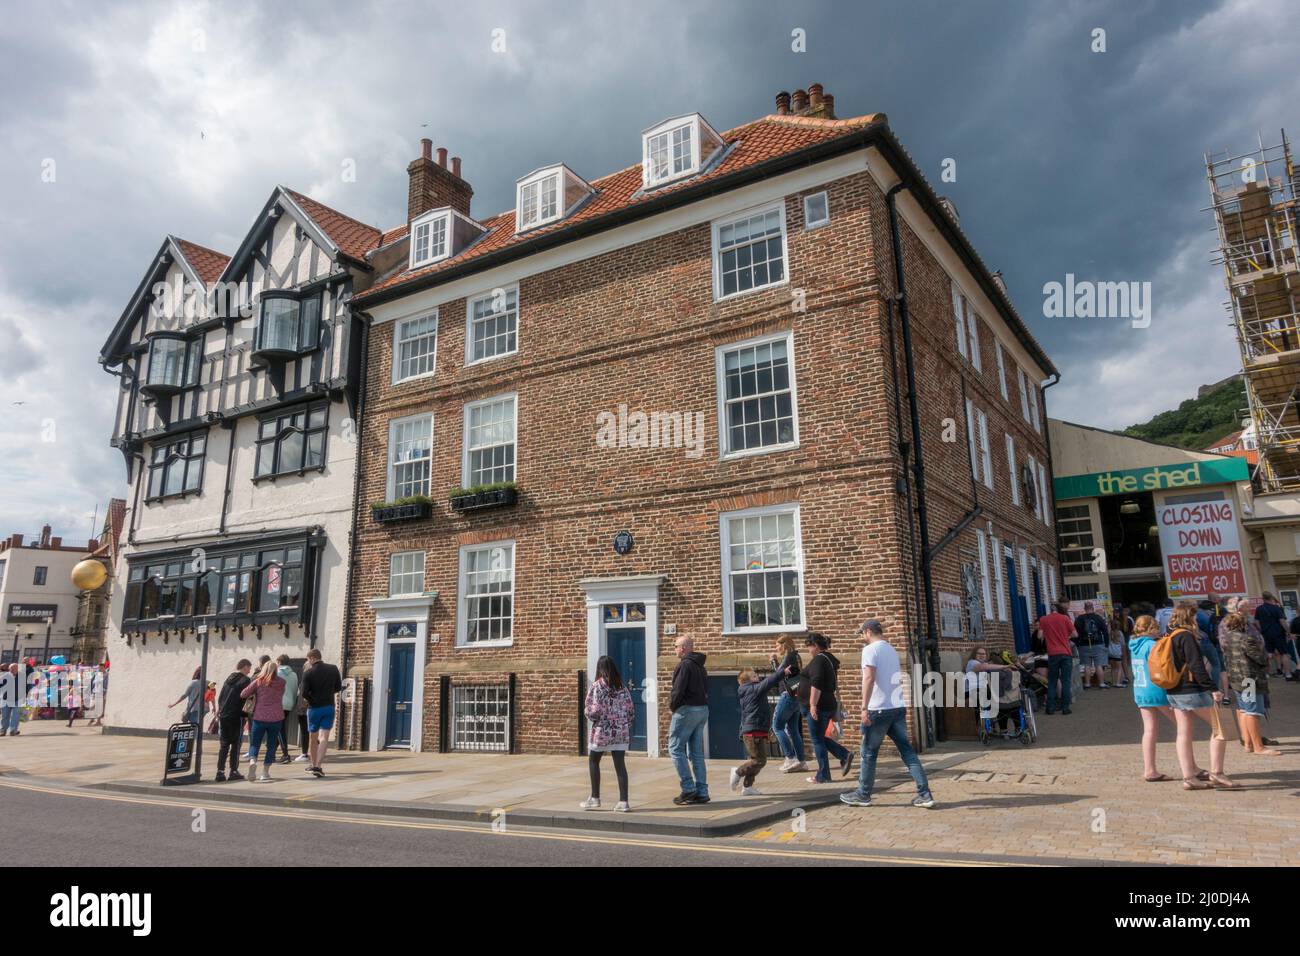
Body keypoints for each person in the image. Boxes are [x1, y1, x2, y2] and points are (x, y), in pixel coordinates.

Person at [840, 619, 934, 808]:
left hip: (878, 709)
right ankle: (925, 794)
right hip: (897, 707)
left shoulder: (870, 650)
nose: (862, 637)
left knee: (868, 753)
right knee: (907, 752)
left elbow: (869, 678)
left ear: (868, 631)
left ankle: (863, 794)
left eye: (862, 634)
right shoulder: (891, 650)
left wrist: (864, 708)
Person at [1165, 601, 1239, 790]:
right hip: (1192, 690)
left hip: (1174, 690)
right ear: (1190, 617)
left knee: (1183, 733)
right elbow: (1196, 664)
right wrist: (1213, 689)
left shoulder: (1170, 635)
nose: (1198, 619)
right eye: (1195, 616)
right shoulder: (1187, 637)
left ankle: (1189, 777)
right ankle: (1217, 772)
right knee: (1220, 727)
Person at [580, 655, 634, 812]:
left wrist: (587, 712)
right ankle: (624, 802)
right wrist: (625, 725)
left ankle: (595, 798)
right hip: (620, 731)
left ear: (600, 668)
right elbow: (630, 709)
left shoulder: (598, 686)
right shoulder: (622, 687)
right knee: (620, 766)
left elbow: (594, 710)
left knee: (593, 761)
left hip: (602, 732)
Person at [1221, 612, 1278, 756]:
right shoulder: (1246, 639)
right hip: (1249, 679)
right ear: (1243, 624)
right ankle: (1258, 747)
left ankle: (1248, 743)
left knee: (1243, 710)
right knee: (1252, 712)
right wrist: (1266, 658)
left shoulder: (1227, 638)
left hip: (1236, 679)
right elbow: (1260, 658)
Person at [801, 633, 853, 784]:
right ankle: (844, 755)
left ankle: (823, 775)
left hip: (820, 706)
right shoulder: (828, 659)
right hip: (828, 704)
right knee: (820, 738)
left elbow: (816, 682)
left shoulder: (819, 660)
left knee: (817, 741)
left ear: (815, 646)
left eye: (809, 647)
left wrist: (812, 705)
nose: (809, 650)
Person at [1129, 615, 1175, 781]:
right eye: (1156, 627)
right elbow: (1163, 666)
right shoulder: (1152, 645)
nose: (1159, 630)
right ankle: (1190, 766)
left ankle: (1150, 769)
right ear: (1151, 628)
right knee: (1183, 726)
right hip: (1157, 689)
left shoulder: (1133, 645)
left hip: (1140, 690)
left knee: (1149, 730)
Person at [730, 665, 786, 795]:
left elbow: (744, 714)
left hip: (757, 730)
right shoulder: (753, 689)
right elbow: (769, 681)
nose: (758, 677)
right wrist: (783, 671)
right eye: (755, 676)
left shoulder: (751, 690)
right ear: (748, 681)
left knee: (759, 761)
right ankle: (737, 772)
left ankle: (747, 787)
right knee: (758, 760)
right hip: (752, 732)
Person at [668, 636, 710, 805]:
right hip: (702, 709)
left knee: (675, 748)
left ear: (684, 648)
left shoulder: (685, 664)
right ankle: (702, 792)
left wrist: (673, 707)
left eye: (676, 646)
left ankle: (688, 789)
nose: (675, 649)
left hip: (687, 710)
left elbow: (678, 690)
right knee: (696, 753)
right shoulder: (701, 666)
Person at [239, 660, 286, 783]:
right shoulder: (282, 682)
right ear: (276, 670)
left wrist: (255, 692)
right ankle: (265, 773)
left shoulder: (258, 681)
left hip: (259, 717)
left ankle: (253, 761)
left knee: (255, 744)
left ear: (264, 669)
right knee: (271, 745)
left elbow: (243, 694)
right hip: (276, 717)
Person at [299, 648, 342, 778]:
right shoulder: (333, 669)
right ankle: (318, 765)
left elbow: (304, 693)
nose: (309, 662)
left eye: (308, 659)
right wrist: (327, 694)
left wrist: (313, 700)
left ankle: (313, 764)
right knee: (324, 738)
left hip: (314, 709)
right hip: (329, 706)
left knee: (313, 737)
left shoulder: (308, 673)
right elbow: (338, 687)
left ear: (312, 658)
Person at [769, 634, 807, 773]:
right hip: (796, 696)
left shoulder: (789, 656)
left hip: (788, 695)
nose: (776, 648)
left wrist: (773, 662)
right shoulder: (796, 656)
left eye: (777, 645)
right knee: (793, 730)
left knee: (777, 726)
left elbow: (778, 675)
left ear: (784, 644)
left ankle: (790, 758)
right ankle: (801, 761)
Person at [215, 659, 252, 782]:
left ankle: (220, 772)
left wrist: (221, 709)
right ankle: (233, 771)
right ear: (245, 667)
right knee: (236, 744)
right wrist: (246, 714)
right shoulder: (246, 680)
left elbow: (221, 697)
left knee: (224, 744)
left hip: (224, 715)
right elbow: (247, 699)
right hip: (237, 715)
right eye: (249, 667)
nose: (250, 670)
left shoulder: (228, 679)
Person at [964, 645, 1017, 731]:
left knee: (1003, 701)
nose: (982, 655)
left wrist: (1006, 671)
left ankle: (1001, 728)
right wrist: (1004, 666)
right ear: (974, 655)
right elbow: (983, 667)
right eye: (979, 653)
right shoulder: (972, 662)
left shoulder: (985, 664)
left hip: (983, 690)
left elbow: (990, 669)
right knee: (995, 698)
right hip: (971, 691)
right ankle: (985, 726)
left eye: (984, 654)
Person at [1038, 600, 1075, 714]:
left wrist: (1048, 635)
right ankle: (1065, 708)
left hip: (1053, 654)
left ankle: (1050, 708)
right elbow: (1075, 634)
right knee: (1066, 681)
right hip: (1065, 652)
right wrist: (1065, 637)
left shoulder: (1043, 619)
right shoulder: (1065, 618)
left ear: (1050, 609)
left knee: (1052, 681)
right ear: (1059, 608)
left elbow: (1039, 636)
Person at [1255, 592, 1292, 679]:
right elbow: (1282, 621)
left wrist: (1262, 629)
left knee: (1268, 654)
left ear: (1262, 598)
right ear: (1271, 598)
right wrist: (1288, 631)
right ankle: (1288, 674)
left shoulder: (1259, 609)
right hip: (1278, 633)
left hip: (1266, 633)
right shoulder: (1276, 608)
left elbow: (1256, 622)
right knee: (1284, 653)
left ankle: (1266, 674)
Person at [1073, 601, 1110, 688]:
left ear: (1084, 609)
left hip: (1084, 645)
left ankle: (1087, 683)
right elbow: (1105, 632)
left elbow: (1076, 633)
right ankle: (1101, 683)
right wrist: (1106, 644)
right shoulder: (1098, 618)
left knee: (1087, 665)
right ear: (1093, 608)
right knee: (1098, 665)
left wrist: (1078, 644)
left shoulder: (1079, 619)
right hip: (1098, 644)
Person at [274, 655, 299, 765]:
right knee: (279, 728)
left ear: (279, 661)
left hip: (278, 703)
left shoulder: (276, 673)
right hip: (289, 704)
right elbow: (295, 690)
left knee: (279, 729)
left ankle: (285, 755)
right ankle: (272, 752)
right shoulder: (294, 675)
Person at [293, 657, 312, 762]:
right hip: (305, 708)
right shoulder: (308, 679)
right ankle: (311, 751)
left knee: (305, 731)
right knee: (309, 731)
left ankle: (305, 754)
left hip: (304, 709)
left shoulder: (307, 679)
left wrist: (303, 706)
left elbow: (304, 695)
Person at [1108, 608, 1132, 687]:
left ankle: (1117, 680)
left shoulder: (1114, 622)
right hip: (1123, 642)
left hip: (1117, 645)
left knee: (1116, 665)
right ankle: (1123, 678)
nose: (1116, 614)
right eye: (1115, 612)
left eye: (1117, 612)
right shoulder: (1127, 620)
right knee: (1122, 661)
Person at [1, 663, 22, 736]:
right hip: (6, 699)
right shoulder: (5, 676)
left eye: (13, 669)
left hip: (18, 699)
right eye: (11, 669)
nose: (12, 670)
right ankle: (3, 730)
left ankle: (13, 730)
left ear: (17, 669)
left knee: (15, 715)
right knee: (5, 716)